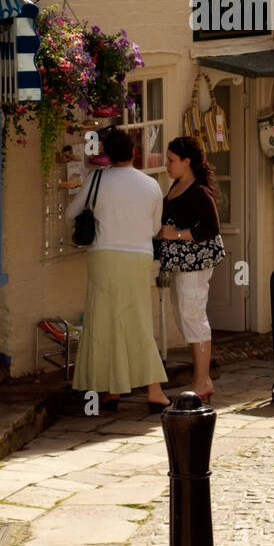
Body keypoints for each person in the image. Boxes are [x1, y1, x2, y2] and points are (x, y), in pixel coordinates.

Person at [66, 127, 169, 412]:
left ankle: (109, 389)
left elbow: (71, 213)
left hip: (103, 256)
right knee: (137, 320)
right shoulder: (150, 185)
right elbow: (153, 228)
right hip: (137, 258)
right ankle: (154, 391)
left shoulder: (96, 179)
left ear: (107, 155)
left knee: (103, 320)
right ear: (134, 152)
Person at [159, 136, 223, 401]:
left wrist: (177, 234)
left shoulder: (198, 191)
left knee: (193, 315)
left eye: (171, 160)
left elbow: (211, 228)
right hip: (182, 264)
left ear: (187, 162)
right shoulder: (177, 184)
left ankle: (202, 380)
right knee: (185, 315)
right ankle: (200, 379)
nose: (166, 164)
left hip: (194, 265)